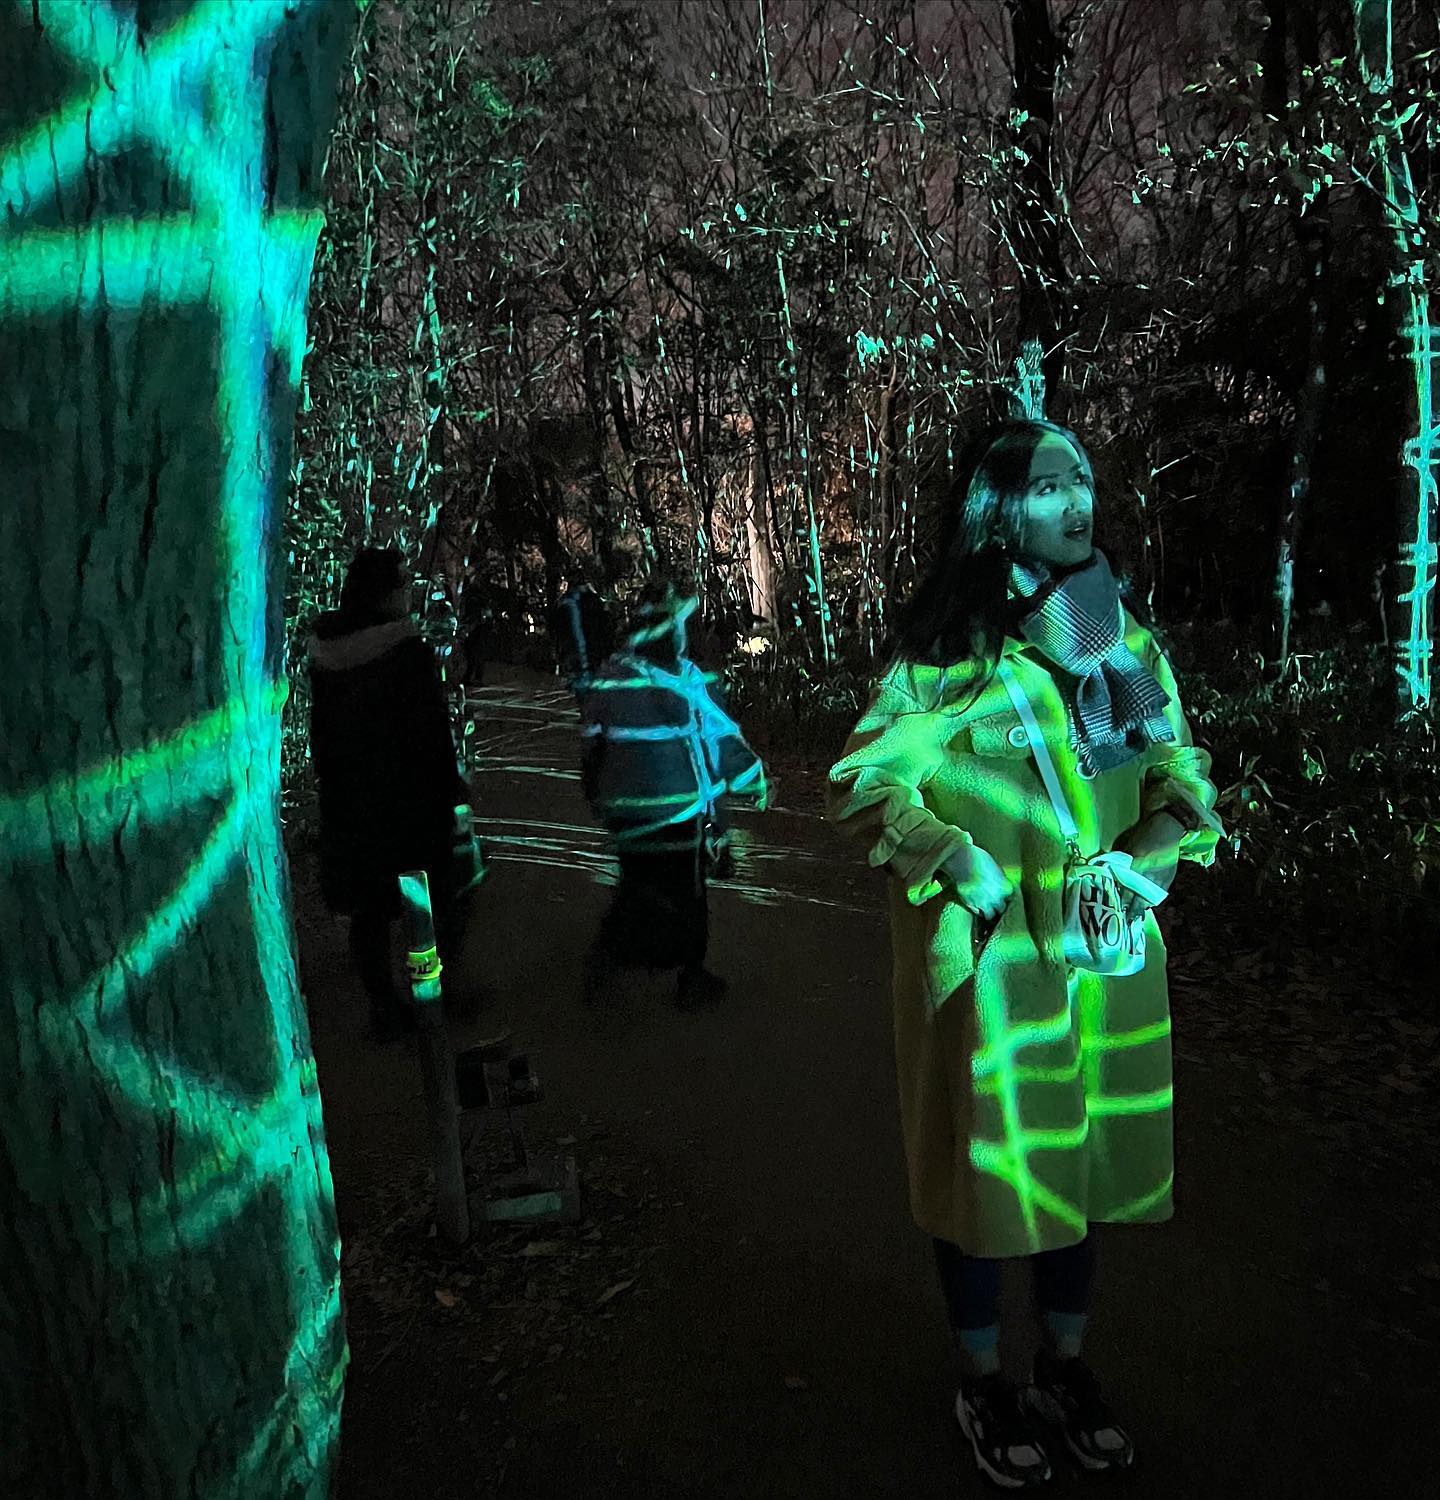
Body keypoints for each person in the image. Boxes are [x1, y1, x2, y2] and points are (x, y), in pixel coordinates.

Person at [827, 420, 1224, 1488]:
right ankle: (983, 1376)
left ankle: (1065, 1364)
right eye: (1047, 486)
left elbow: (1180, 766)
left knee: (1078, 1171)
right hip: (993, 978)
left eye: (1083, 480)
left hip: (1103, 965)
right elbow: (865, 781)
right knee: (985, 1173)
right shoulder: (952, 656)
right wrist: (949, 854)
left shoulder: (1121, 644)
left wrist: (1157, 838)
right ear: (999, 507)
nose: (1074, 502)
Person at [308, 547, 481, 1037]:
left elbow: (323, 734)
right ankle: (431, 996)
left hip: (351, 801)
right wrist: (452, 791)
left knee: (369, 910)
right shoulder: (406, 652)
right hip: (409, 802)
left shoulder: (326, 655)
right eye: (402, 585)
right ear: (386, 593)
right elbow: (428, 734)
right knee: (434, 896)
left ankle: (383, 1006)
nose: (408, 594)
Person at [579, 578, 767, 1009]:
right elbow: (719, 742)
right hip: (677, 810)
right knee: (687, 895)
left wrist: (595, 790)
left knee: (637, 884)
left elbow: (592, 742)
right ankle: (689, 974)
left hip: (626, 811)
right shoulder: (688, 682)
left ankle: (611, 960)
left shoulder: (610, 676)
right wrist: (750, 781)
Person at [553, 571, 615, 693]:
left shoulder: (567, 602)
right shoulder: (594, 599)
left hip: (577, 655)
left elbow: (561, 631)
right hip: (594, 653)